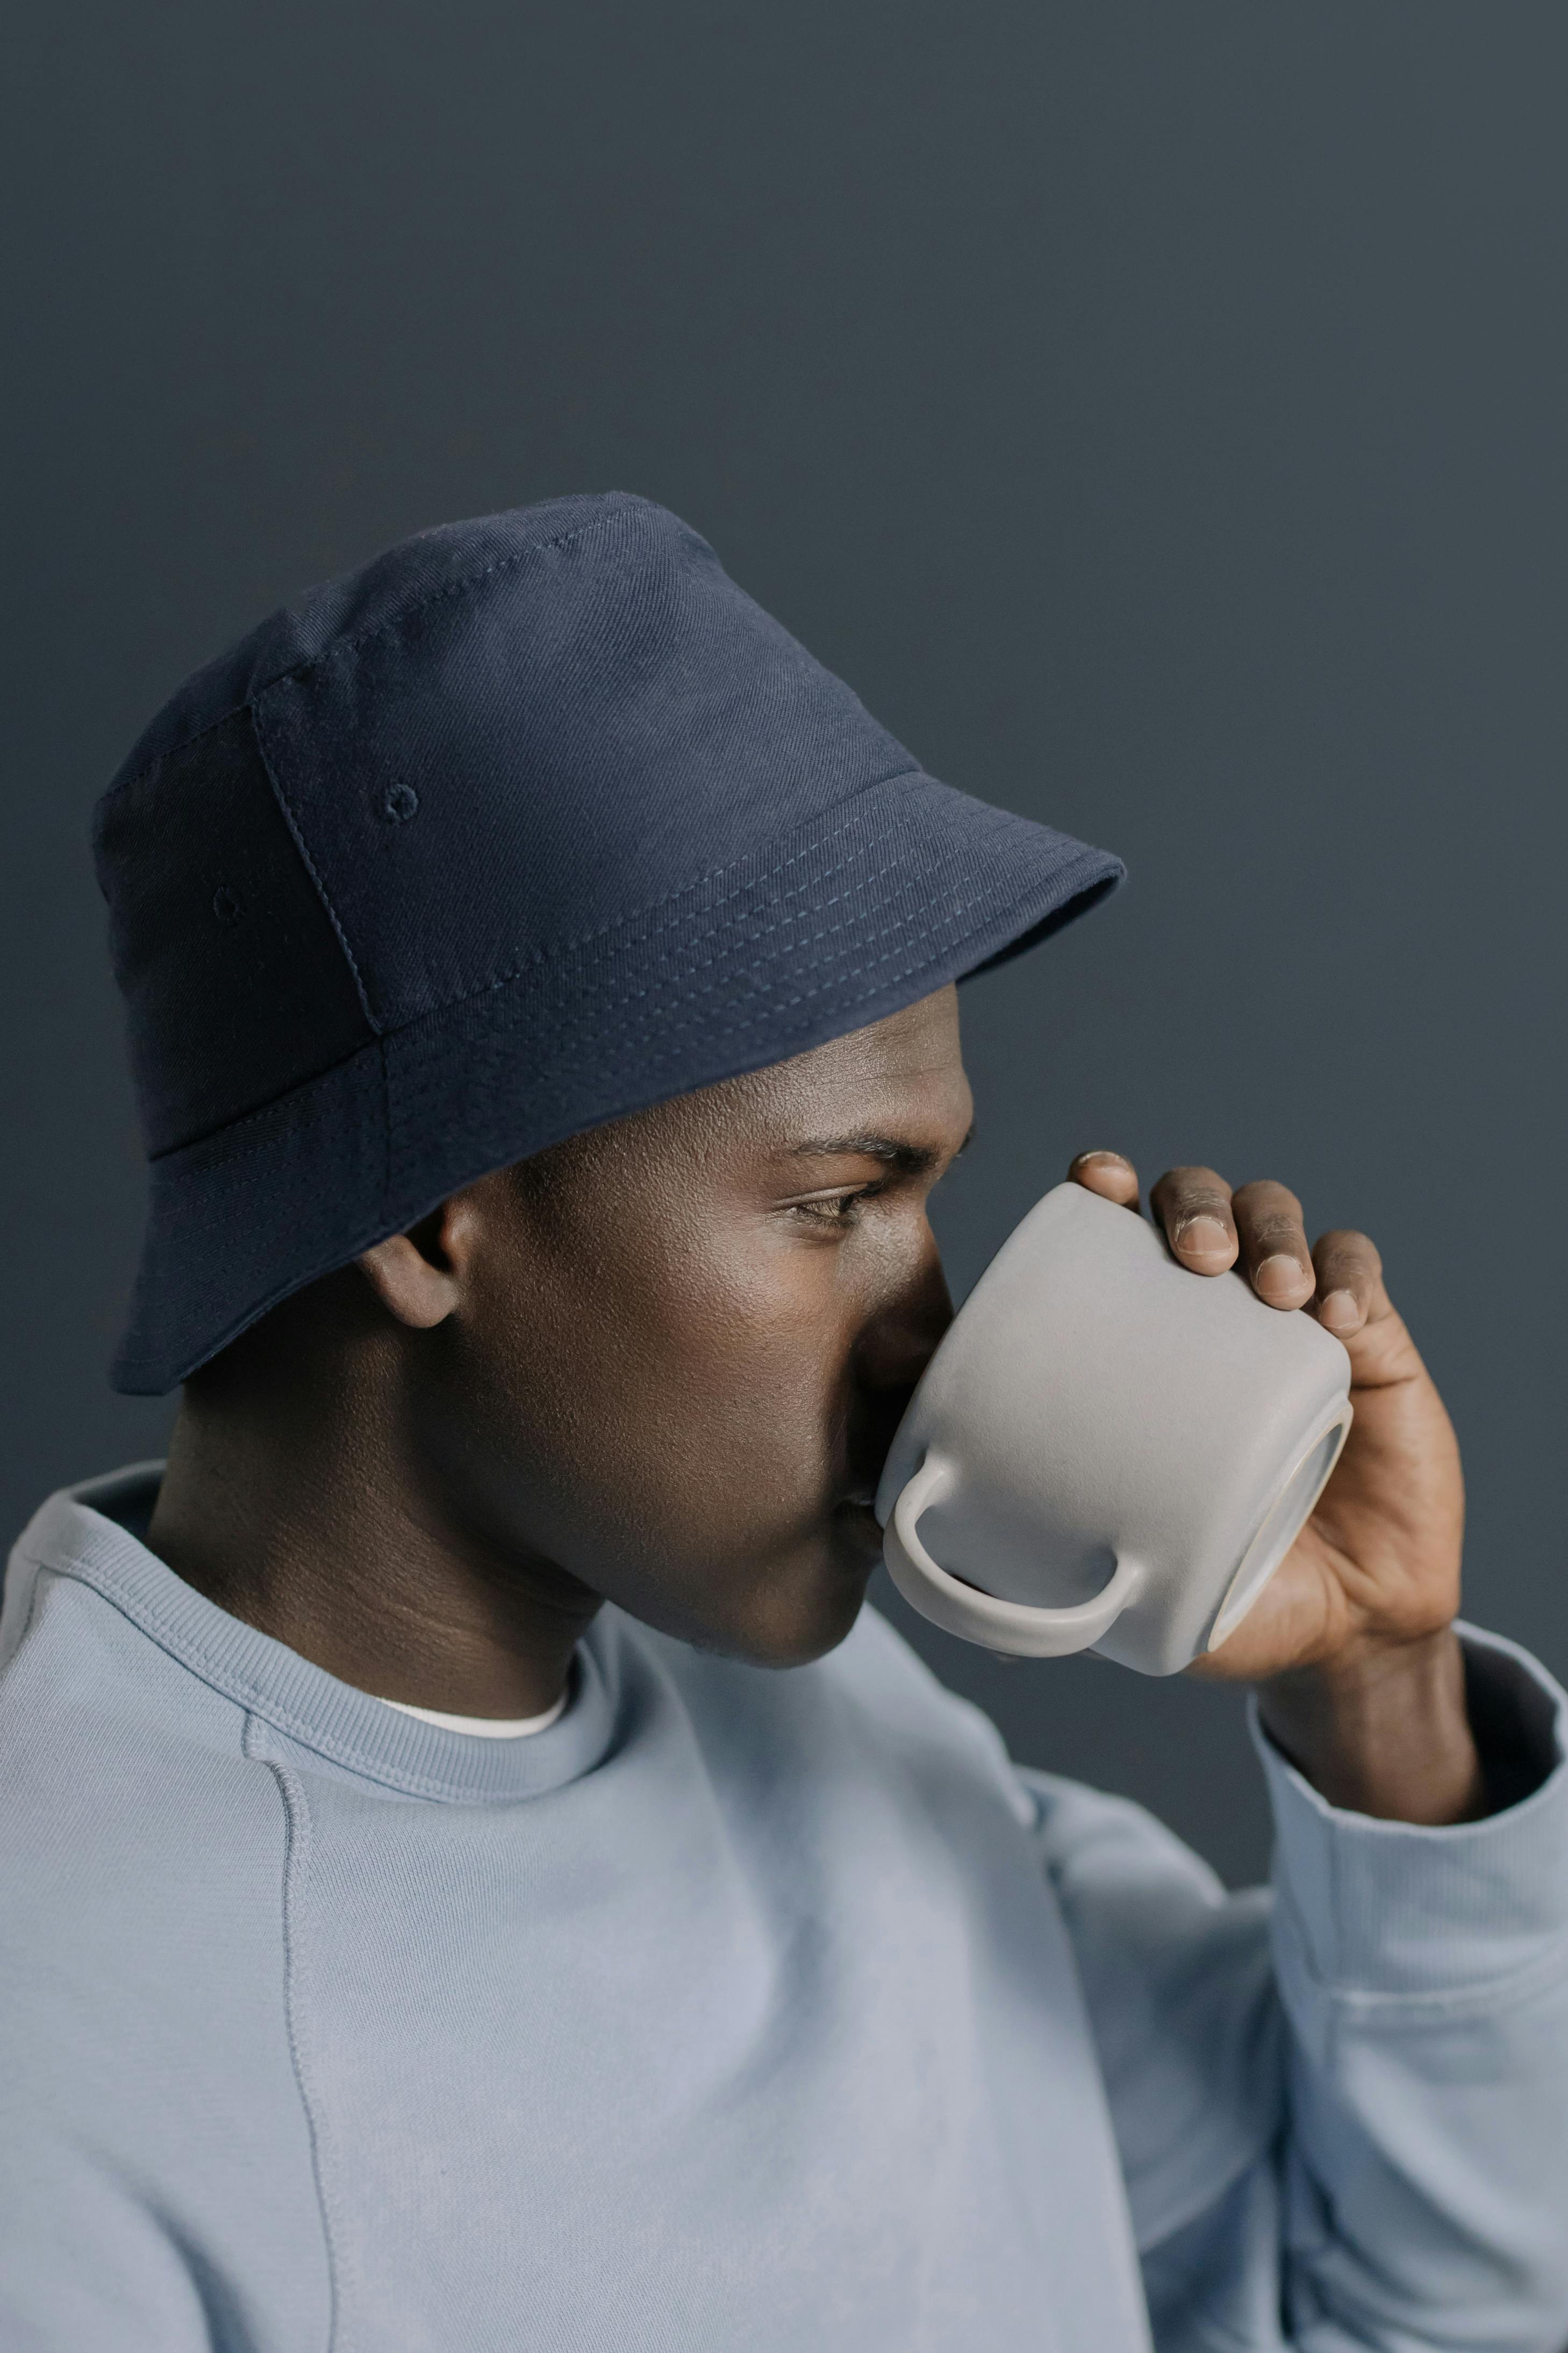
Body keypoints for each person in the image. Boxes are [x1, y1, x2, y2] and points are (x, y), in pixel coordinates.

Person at [2, 492, 1564, 2352]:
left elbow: (1411, 2308)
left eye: (930, 1197)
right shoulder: (65, 2028)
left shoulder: (857, 1744)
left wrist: (1380, 1691)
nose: (934, 1327)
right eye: (839, 1203)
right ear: (424, 1222)